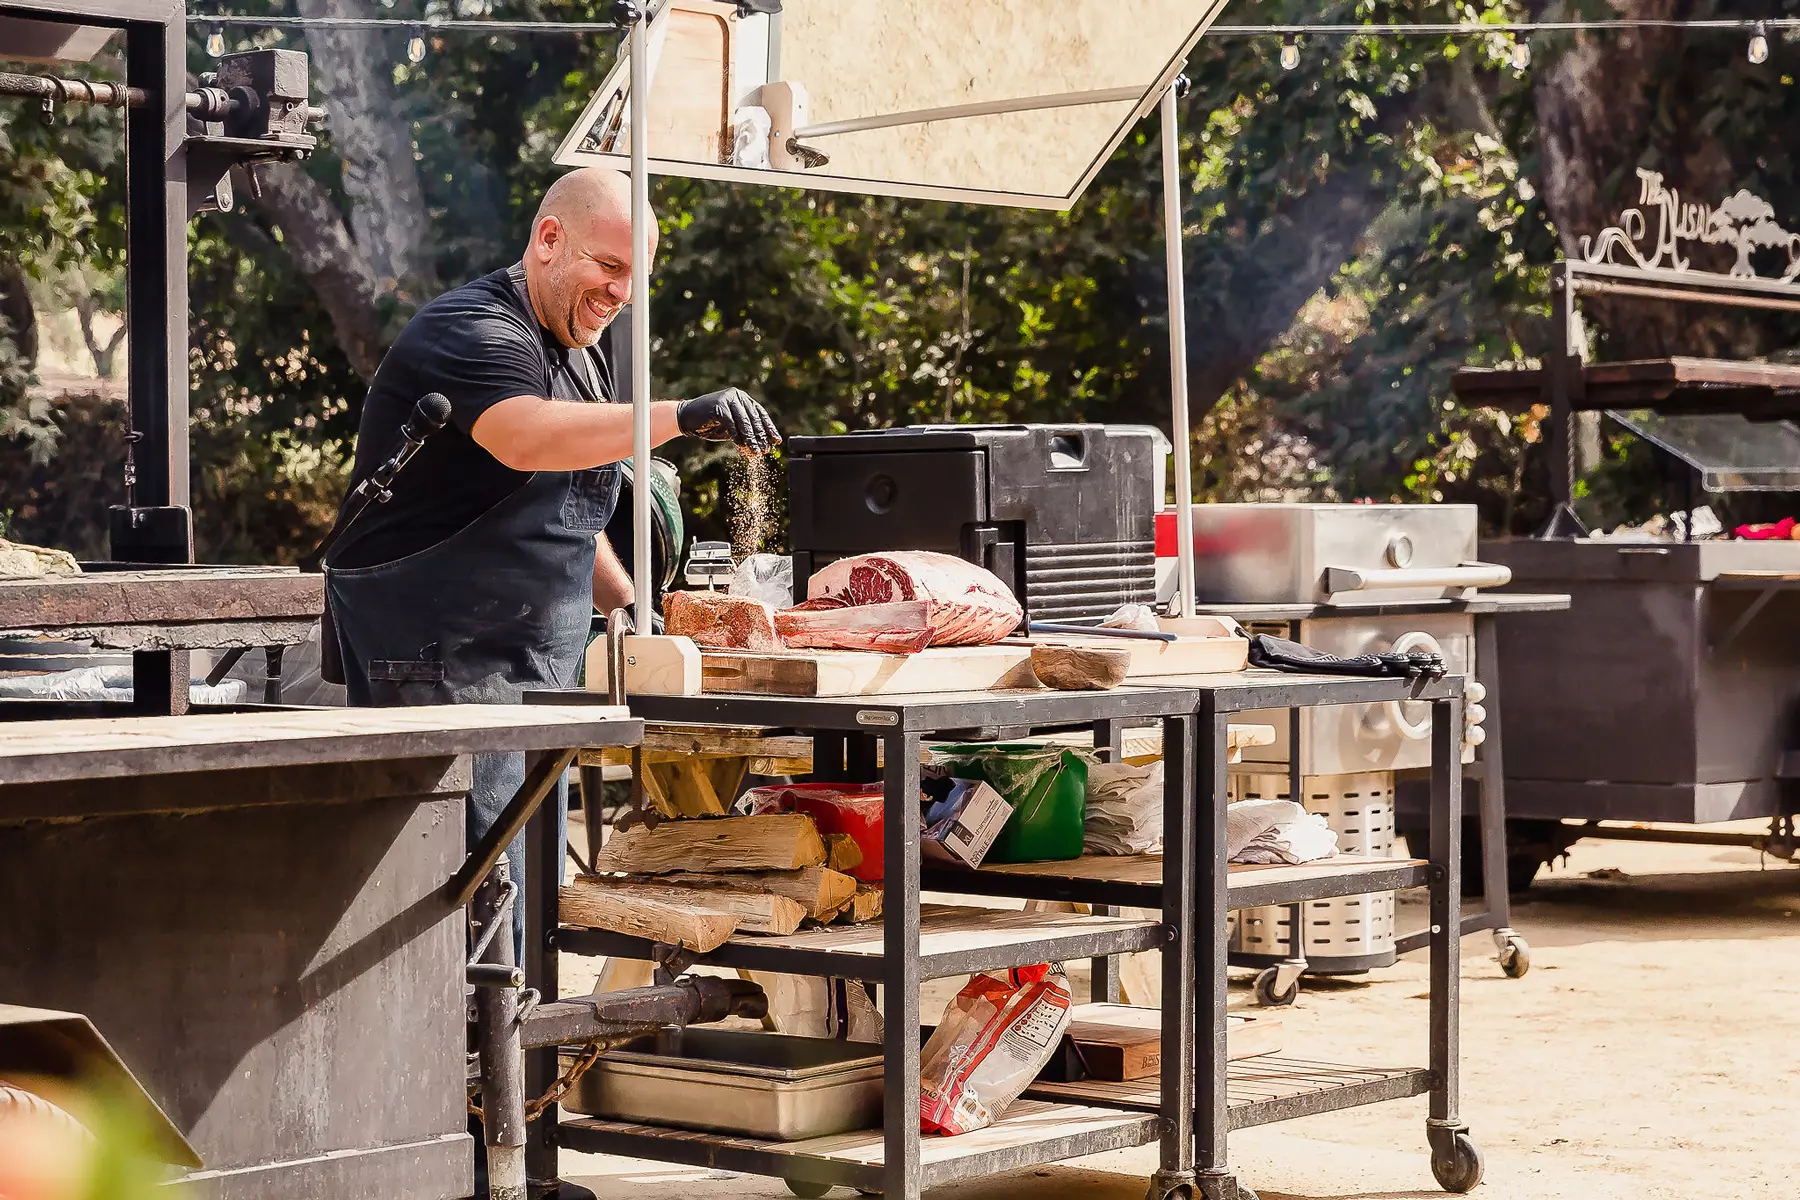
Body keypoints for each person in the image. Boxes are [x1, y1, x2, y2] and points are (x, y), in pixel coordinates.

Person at [323, 166, 779, 951]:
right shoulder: (475, 331)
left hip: (534, 665)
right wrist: (676, 416)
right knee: (462, 900)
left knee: (524, 898)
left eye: (635, 276)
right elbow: (523, 435)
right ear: (547, 240)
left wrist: (628, 604)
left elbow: (562, 503)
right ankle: (462, 1068)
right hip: (440, 661)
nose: (620, 293)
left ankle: (516, 1064)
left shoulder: (581, 347)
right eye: (608, 267)